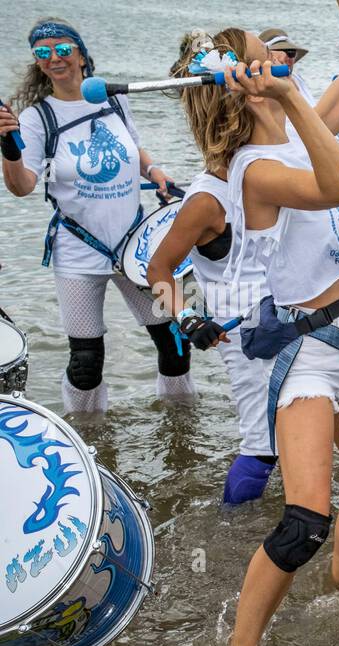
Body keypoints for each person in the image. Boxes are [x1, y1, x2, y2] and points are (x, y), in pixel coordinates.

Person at [190, 1, 339, 646]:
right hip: (301, 357)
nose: (277, 60)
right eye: (261, 55)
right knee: (305, 518)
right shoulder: (253, 171)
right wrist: (292, 97)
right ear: (240, 83)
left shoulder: (298, 138)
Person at [0, 18, 186, 413]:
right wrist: (8, 149)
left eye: (63, 49)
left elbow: (135, 148)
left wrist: (155, 173)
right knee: (86, 363)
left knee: (174, 341)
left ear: (82, 54)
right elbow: (21, 186)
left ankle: (180, 424)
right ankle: (89, 440)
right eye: (43, 53)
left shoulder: (113, 98)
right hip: (79, 251)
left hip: (135, 246)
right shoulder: (37, 118)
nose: (55, 59)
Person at [147, 31, 278, 505]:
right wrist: (188, 318)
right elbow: (158, 270)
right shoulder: (207, 200)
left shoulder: (270, 171)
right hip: (244, 339)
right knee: (263, 448)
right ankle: (227, 533)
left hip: (294, 320)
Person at [260, 28, 315, 106]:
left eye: (290, 53)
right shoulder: (261, 88)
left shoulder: (297, 78)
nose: (284, 58)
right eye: (278, 52)